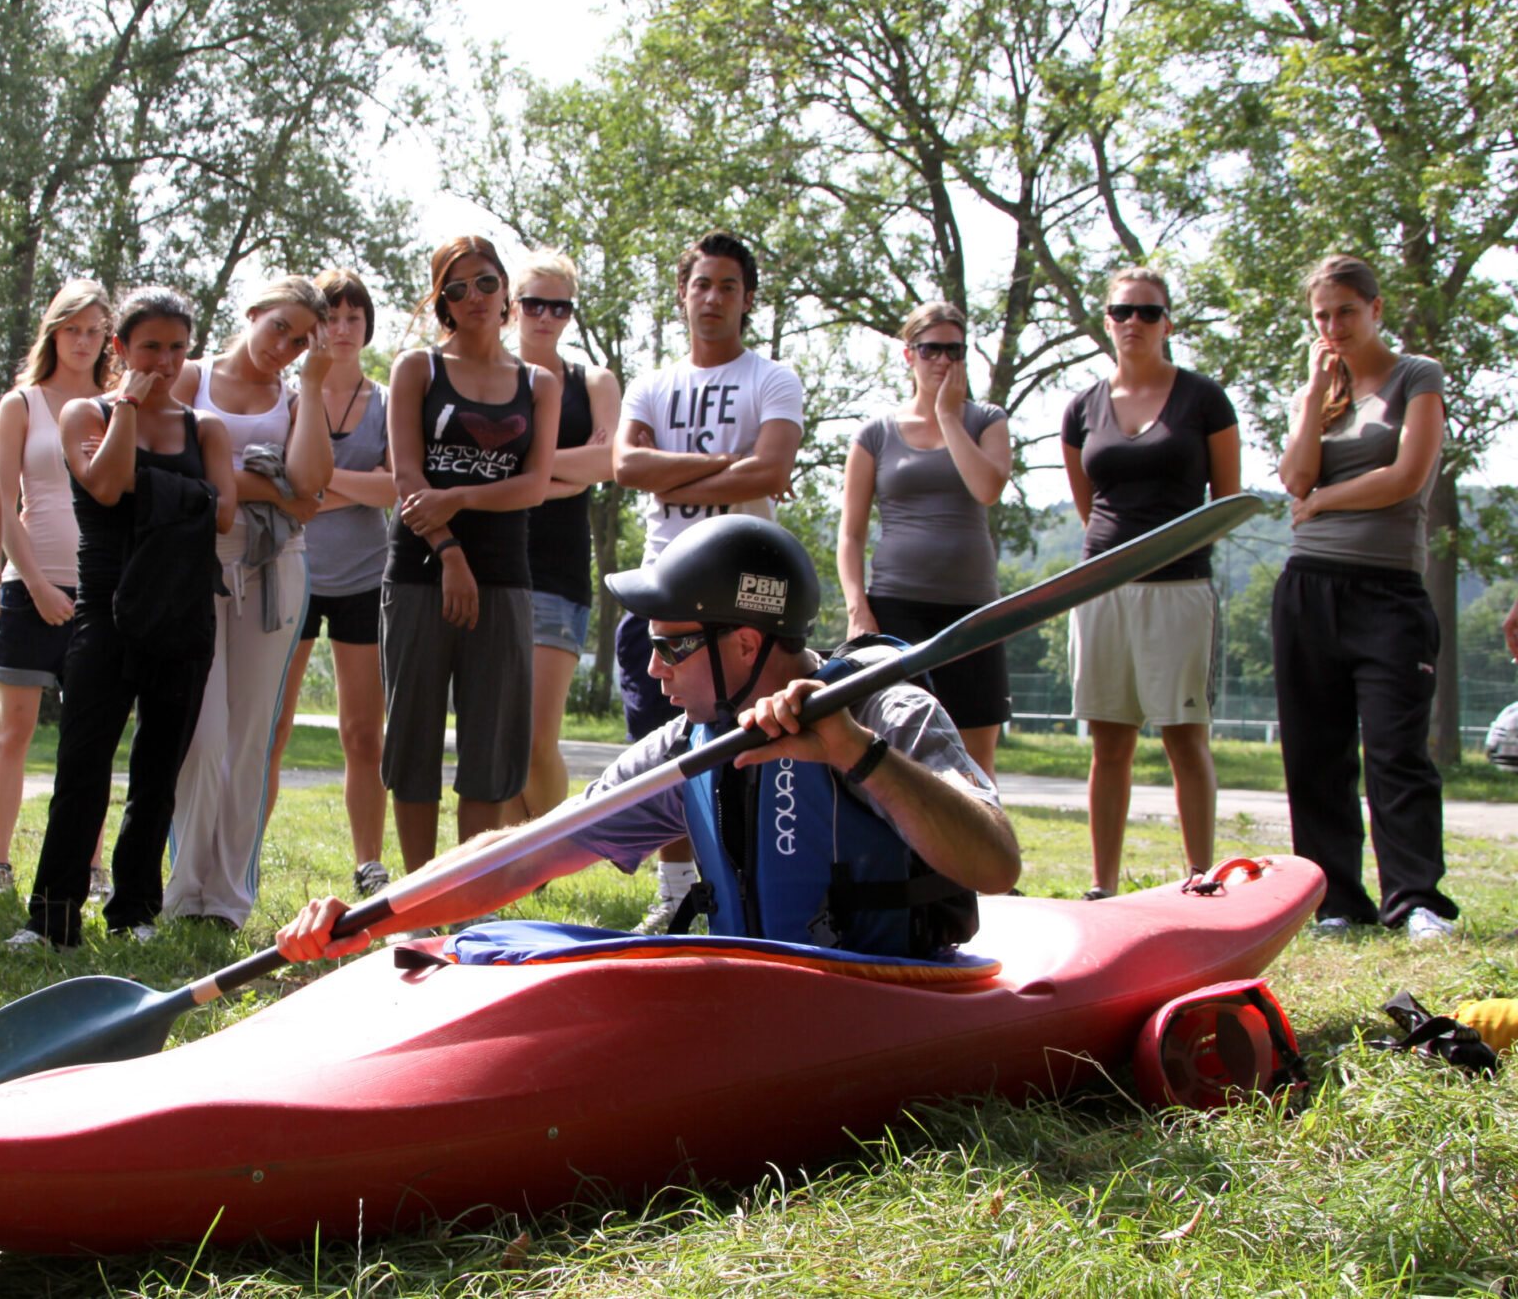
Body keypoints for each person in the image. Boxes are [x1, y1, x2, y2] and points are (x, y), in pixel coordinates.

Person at [278, 516, 1017, 963]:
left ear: (747, 643)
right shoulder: (690, 743)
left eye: (672, 645)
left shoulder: (885, 710)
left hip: (891, 992)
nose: (653, 668)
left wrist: (855, 753)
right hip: (759, 987)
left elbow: (996, 863)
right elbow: (524, 852)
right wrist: (371, 919)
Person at [7, 288, 236, 949]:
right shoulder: (88, 411)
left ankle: (135, 911)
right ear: (120, 349)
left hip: (183, 613)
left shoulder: (206, 428)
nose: (164, 362)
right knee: (82, 769)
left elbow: (225, 514)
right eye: (149, 347)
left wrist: (156, 485)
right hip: (105, 613)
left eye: (177, 348)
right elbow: (105, 485)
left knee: (157, 775)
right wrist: (130, 412)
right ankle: (51, 917)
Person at [612, 230, 803, 930]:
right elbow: (626, 468)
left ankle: (749, 885)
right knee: (663, 747)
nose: (713, 297)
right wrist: (727, 460)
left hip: (742, 602)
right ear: (682, 295)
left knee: (750, 744)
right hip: (661, 591)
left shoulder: (771, 379)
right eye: (702, 284)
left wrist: (678, 466)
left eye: (728, 286)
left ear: (747, 299)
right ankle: (675, 896)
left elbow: (772, 471)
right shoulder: (653, 384)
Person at [1274, 254, 1454, 939]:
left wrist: (1325, 500)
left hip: (1389, 592)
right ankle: (1338, 902)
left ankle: (1416, 900)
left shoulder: (1418, 377)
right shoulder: (1317, 389)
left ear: (1376, 310)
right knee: (1315, 754)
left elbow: (1407, 476)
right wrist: (1317, 392)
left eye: (1346, 311)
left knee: (1395, 750)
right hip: (1308, 587)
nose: (1334, 326)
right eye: (1321, 316)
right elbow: (1294, 479)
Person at [380, 238, 559, 882]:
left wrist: (453, 496)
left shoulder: (538, 383)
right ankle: (414, 904)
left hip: (505, 581)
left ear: (506, 291)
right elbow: (406, 478)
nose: (474, 298)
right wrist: (450, 553)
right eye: (456, 290)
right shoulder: (416, 369)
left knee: (489, 750)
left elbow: (533, 487)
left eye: (485, 284)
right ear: (442, 304)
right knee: (414, 743)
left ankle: (462, 904)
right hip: (420, 576)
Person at [1062, 267, 1239, 900]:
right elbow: (1090, 505)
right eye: (1120, 311)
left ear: (1168, 322)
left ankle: (1202, 877)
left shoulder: (1204, 399)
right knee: (1109, 743)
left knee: (1184, 739)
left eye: (1147, 311)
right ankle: (1102, 885)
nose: (1132, 322)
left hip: (1180, 589)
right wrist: (1117, 564)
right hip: (1102, 588)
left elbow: (1230, 499)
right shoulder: (1081, 406)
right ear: (1106, 321)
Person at [167, 277, 333, 929]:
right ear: (253, 312)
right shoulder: (191, 377)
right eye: (279, 328)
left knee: (249, 738)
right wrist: (266, 490)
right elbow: (175, 471)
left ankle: (228, 900)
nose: (284, 347)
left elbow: (312, 489)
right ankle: (182, 892)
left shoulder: (295, 398)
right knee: (202, 738)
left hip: (273, 574)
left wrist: (315, 386)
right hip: (192, 568)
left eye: (300, 342)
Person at [0, 280, 114, 899]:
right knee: (14, 729)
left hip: (100, 590)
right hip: (29, 586)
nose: (83, 342)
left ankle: (92, 865)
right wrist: (32, 582)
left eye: (94, 331)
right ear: (53, 332)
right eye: (72, 329)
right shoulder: (21, 403)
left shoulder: (117, 405)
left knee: (91, 739)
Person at [263, 269, 395, 895]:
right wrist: (346, 482)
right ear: (314, 328)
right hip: (294, 571)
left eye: (354, 318)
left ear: (367, 327)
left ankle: (370, 863)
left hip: (366, 580)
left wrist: (321, 482)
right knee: (274, 726)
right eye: (331, 319)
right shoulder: (292, 394)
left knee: (362, 732)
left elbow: (395, 487)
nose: (342, 329)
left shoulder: (390, 401)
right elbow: (287, 486)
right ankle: (246, 858)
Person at [838, 301, 1011, 780]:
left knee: (977, 752)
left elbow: (987, 489)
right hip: (896, 606)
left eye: (954, 351)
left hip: (974, 609)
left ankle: (978, 852)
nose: (942, 361)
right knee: (896, 746)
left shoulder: (986, 420)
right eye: (931, 349)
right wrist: (859, 611)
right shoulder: (875, 434)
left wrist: (950, 417)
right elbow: (850, 535)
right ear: (909, 355)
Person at [507, 250, 620, 822]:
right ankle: (498, 865)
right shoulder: (488, 379)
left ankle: (549, 850)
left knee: (534, 740)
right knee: (495, 736)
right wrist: (560, 473)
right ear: (511, 307)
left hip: (559, 573)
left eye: (559, 306)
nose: (545, 316)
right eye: (534, 304)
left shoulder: (592, 381)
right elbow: (479, 468)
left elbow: (608, 462)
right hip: (490, 566)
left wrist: (521, 472)